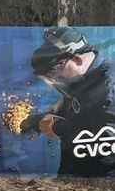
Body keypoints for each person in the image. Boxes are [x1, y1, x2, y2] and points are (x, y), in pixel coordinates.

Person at [21, 27, 115, 177]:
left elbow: (105, 134)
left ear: (77, 59)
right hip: (76, 172)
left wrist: (57, 126)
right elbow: (71, 115)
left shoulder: (108, 85)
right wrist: (34, 121)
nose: (56, 78)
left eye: (56, 72)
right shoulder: (83, 80)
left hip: (101, 179)